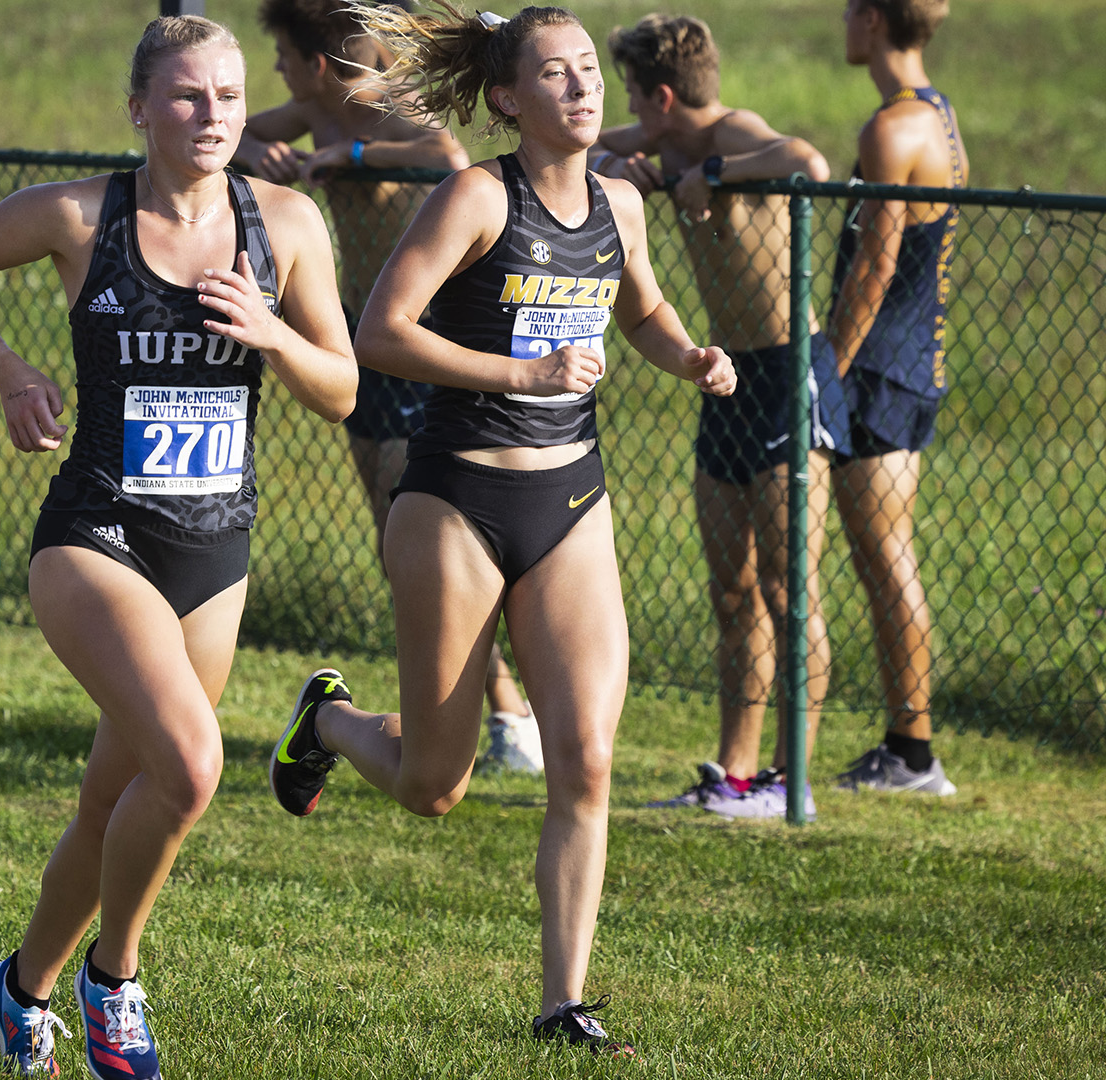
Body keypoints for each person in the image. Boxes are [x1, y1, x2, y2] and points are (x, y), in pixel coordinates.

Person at [266, 4, 736, 1053]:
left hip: (571, 499)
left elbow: (644, 312)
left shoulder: (621, 203)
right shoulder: (479, 196)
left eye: (588, 71)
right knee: (436, 785)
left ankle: (563, 1002)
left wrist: (691, 357)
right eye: (557, 75)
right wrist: (521, 373)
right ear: (509, 98)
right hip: (455, 501)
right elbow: (382, 332)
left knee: (586, 754)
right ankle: (331, 723)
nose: (583, 87)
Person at [0, 16, 356, 1076]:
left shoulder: (284, 222)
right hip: (96, 532)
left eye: (233, 98)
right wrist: (13, 374)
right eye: (191, 97)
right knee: (193, 770)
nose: (214, 118)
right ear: (141, 108)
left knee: (116, 800)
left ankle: (19, 990)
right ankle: (116, 981)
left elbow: (339, 391)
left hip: (214, 547)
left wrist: (274, 330)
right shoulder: (78, 214)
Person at [237, 0, 541, 774]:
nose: (275, 70)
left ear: (315, 64)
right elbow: (246, 133)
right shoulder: (311, 109)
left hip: (421, 339)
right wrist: (259, 151)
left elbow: (444, 153)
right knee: (390, 521)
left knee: (437, 532)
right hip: (355, 336)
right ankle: (471, 704)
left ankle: (509, 711)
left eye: (282, 57)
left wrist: (354, 158)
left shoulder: (377, 108)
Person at [594, 14, 842, 819]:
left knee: (787, 586)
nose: (627, 103)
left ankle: (787, 778)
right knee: (733, 590)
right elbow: (595, 148)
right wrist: (629, 159)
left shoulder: (734, 133)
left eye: (634, 92)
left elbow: (807, 159)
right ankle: (733, 775)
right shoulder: (662, 139)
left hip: (785, 372)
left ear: (663, 95)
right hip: (725, 375)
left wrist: (713, 168)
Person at [828, 0, 965, 797]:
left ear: (874, 20)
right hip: (914, 358)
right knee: (888, 558)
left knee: (885, 561)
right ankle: (906, 746)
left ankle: (911, 752)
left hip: (879, 370)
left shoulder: (893, 127)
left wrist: (829, 373)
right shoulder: (937, 114)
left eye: (850, 10)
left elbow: (875, 268)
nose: (843, 24)